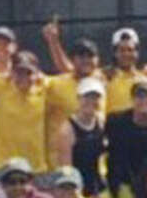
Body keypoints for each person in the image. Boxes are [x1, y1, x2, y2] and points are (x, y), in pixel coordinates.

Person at [41, 26, 104, 171]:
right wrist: (53, 42)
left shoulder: (103, 81)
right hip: (62, 166)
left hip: (96, 168)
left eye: (90, 56)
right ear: (73, 59)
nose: (86, 60)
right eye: (81, 56)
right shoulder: (55, 84)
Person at [0, 51, 57, 176]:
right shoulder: (1, 86)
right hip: (4, 166)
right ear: (12, 72)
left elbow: (70, 78)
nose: (24, 78)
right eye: (19, 73)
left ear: (36, 74)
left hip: (35, 168)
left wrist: (44, 79)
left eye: (28, 73)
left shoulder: (45, 90)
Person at [105, 81, 147, 198]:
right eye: (139, 97)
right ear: (132, 100)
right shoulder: (116, 121)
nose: (144, 101)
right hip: (125, 183)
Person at [55, 77, 109, 197]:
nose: (91, 101)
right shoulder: (67, 130)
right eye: (87, 97)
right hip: (78, 190)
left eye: (95, 97)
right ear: (78, 98)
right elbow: (66, 170)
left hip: (100, 188)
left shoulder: (101, 122)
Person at [104, 27, 147, 114]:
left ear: (137, 53)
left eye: (130, 50)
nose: (126, 54)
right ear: (115, 53)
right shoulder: (104, 77)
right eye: (122, 50)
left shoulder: (145, 79)